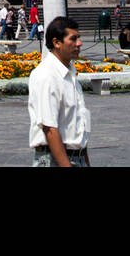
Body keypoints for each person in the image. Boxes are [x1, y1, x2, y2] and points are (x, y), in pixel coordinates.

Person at [28, 16, 90, 167]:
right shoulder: (46, 75)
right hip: (54, 160)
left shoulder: (69, 74)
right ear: (56, 43)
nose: (79, 43)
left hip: (76, 157)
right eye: (73, 39)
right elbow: (49, 128)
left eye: (79, 38)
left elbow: (77, 126)